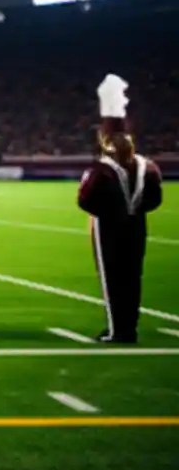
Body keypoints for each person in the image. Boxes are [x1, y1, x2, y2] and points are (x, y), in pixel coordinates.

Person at [77, 74, 163, 343]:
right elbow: (155, 198)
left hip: (109, 227)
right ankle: (129, 327)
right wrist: (135, 209)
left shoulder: (102, 169)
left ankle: (117, 330)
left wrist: (106, 211)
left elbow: (85, 198)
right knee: (133, 276)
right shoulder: (147, 167)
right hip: (137, 224)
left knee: (112, 278)